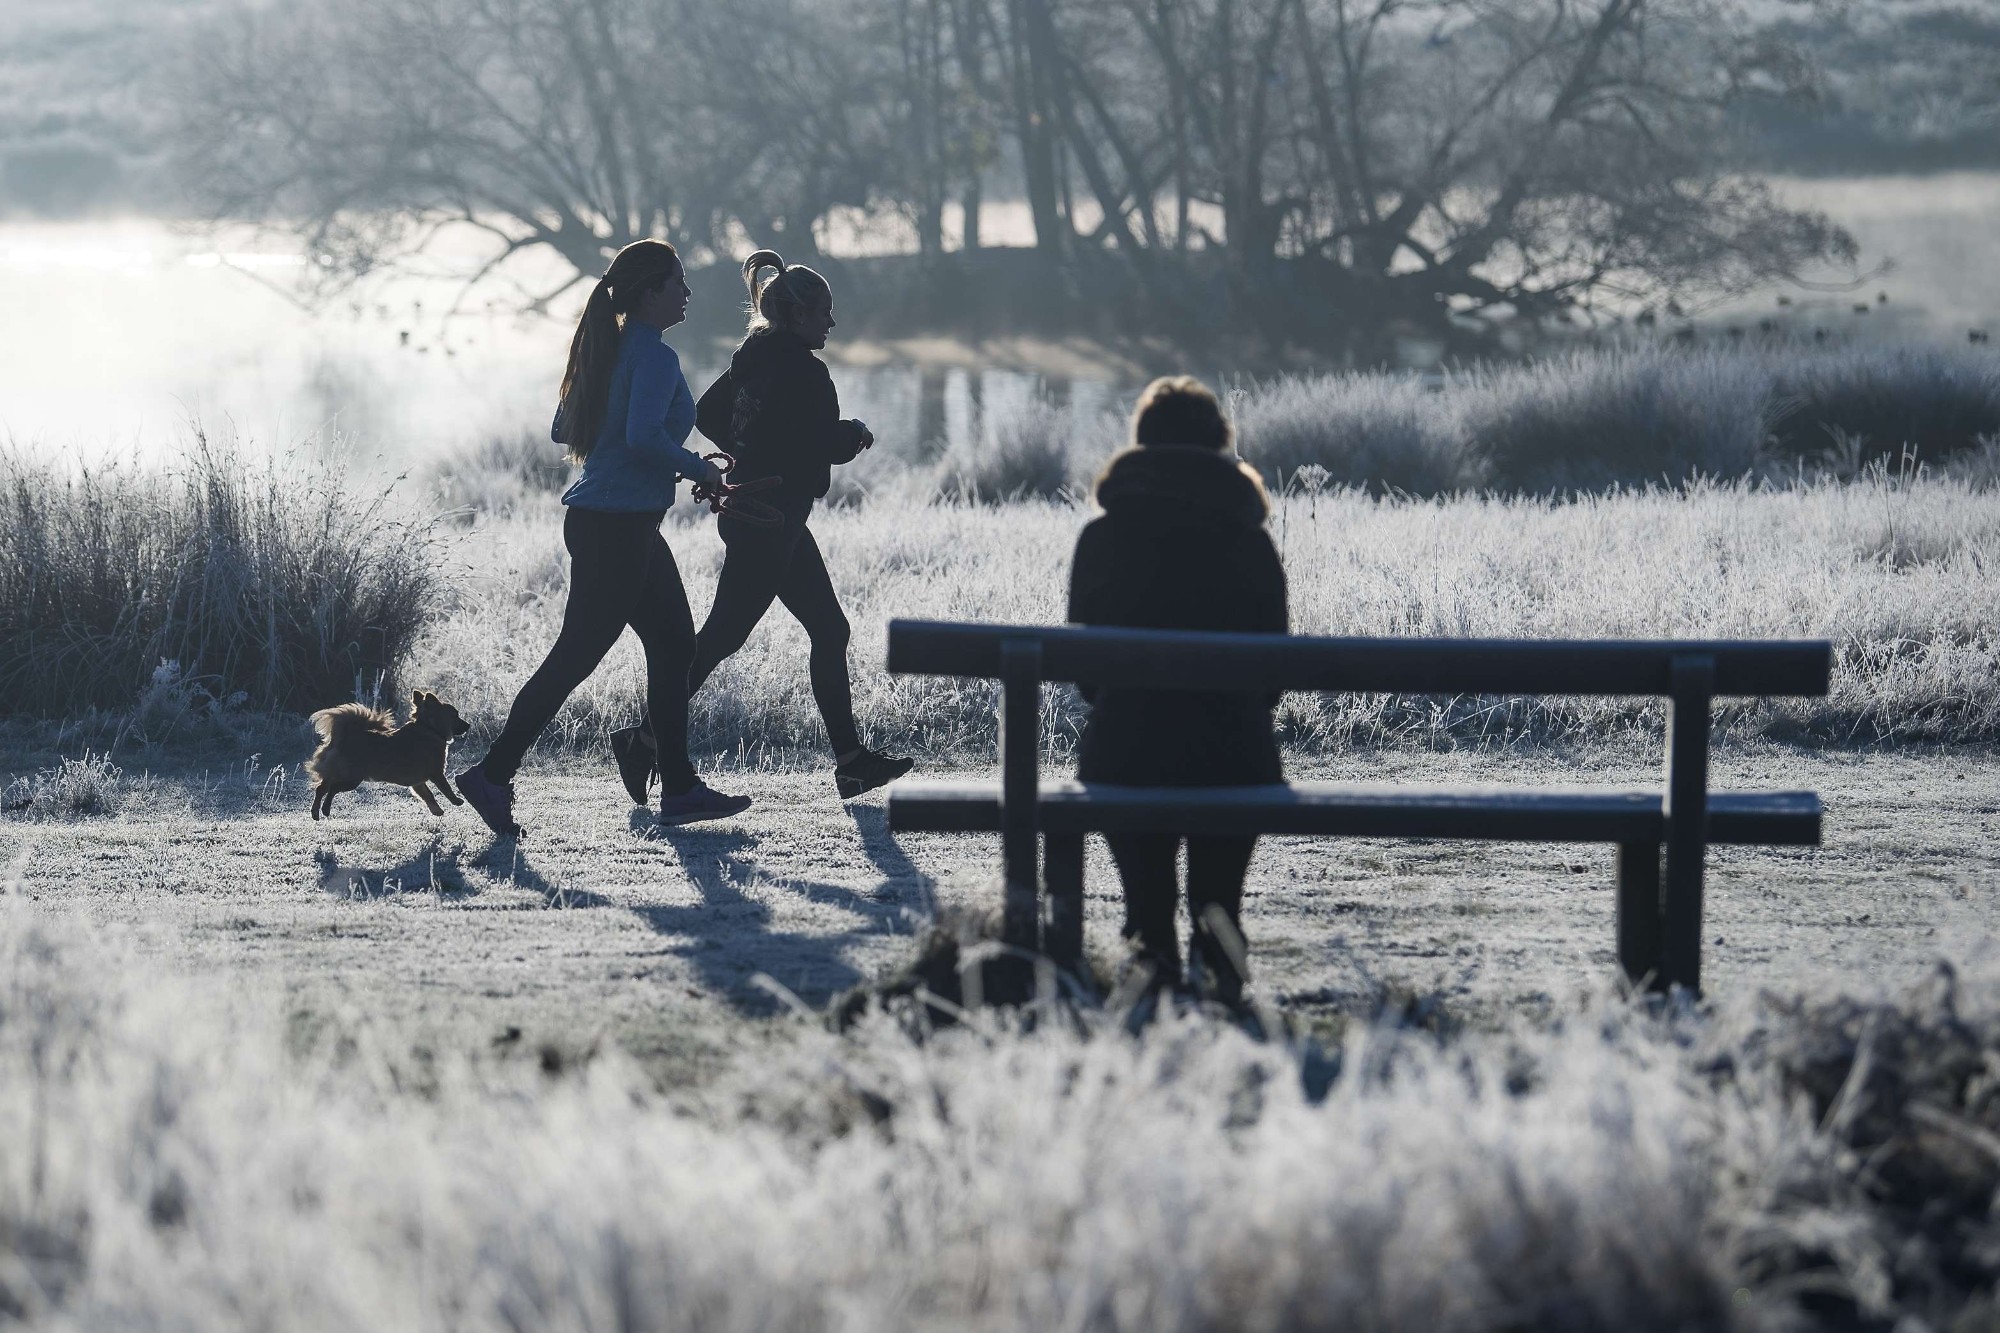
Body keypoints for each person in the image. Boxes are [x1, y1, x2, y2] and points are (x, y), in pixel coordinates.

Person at [456, 239, 753, 836]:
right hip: (616, 527)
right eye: (677, 282)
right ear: (649, 294)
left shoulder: (609, 347)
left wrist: (658, 457)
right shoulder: (655, 359)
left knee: (674, 645)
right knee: (577, 656)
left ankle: (679, 788)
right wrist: (700, 469)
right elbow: (642, 437)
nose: (688, 293)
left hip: (619, 522)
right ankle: (491, 775)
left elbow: (565, 426)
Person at [610, 249, 913, 803]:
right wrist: (856, 435)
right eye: (823, 311)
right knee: (722, 638)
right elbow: (821, 442)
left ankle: (850, 763)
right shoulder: (808, 372)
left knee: (826, 630)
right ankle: (643, 741)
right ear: (797, 315)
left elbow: (710, 412)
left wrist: (750, 456)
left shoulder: (754, 353)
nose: (831, 321)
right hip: (771, 522)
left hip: (768, 518)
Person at [1066, 376, 1288, 1006]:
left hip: (1126, 751)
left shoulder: (1102, 538)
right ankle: (1219, 960)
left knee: (1148, 892)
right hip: (1234, 754)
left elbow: (1087, 675)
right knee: (1217, 896)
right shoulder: (1248, 540)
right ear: (1220, 442)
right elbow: (1271, 672)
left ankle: (1150, 949)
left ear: (1143, 443)